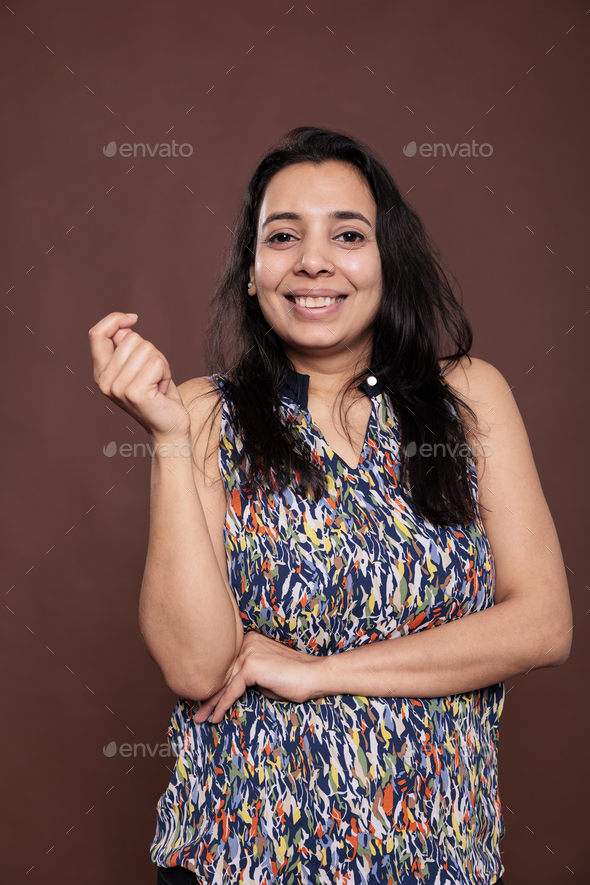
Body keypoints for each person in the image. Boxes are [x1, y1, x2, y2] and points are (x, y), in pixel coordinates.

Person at [88, 127, 572, 884]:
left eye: (347, 234)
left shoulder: (471, 399)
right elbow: (194, 665)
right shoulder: (202, 413)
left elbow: (542, 623)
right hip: (239, 854)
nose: (313, 260)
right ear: (252, 272)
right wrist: (169, 439)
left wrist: (323, 670)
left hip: (435, 856)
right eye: (283, 236)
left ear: (387, 264)